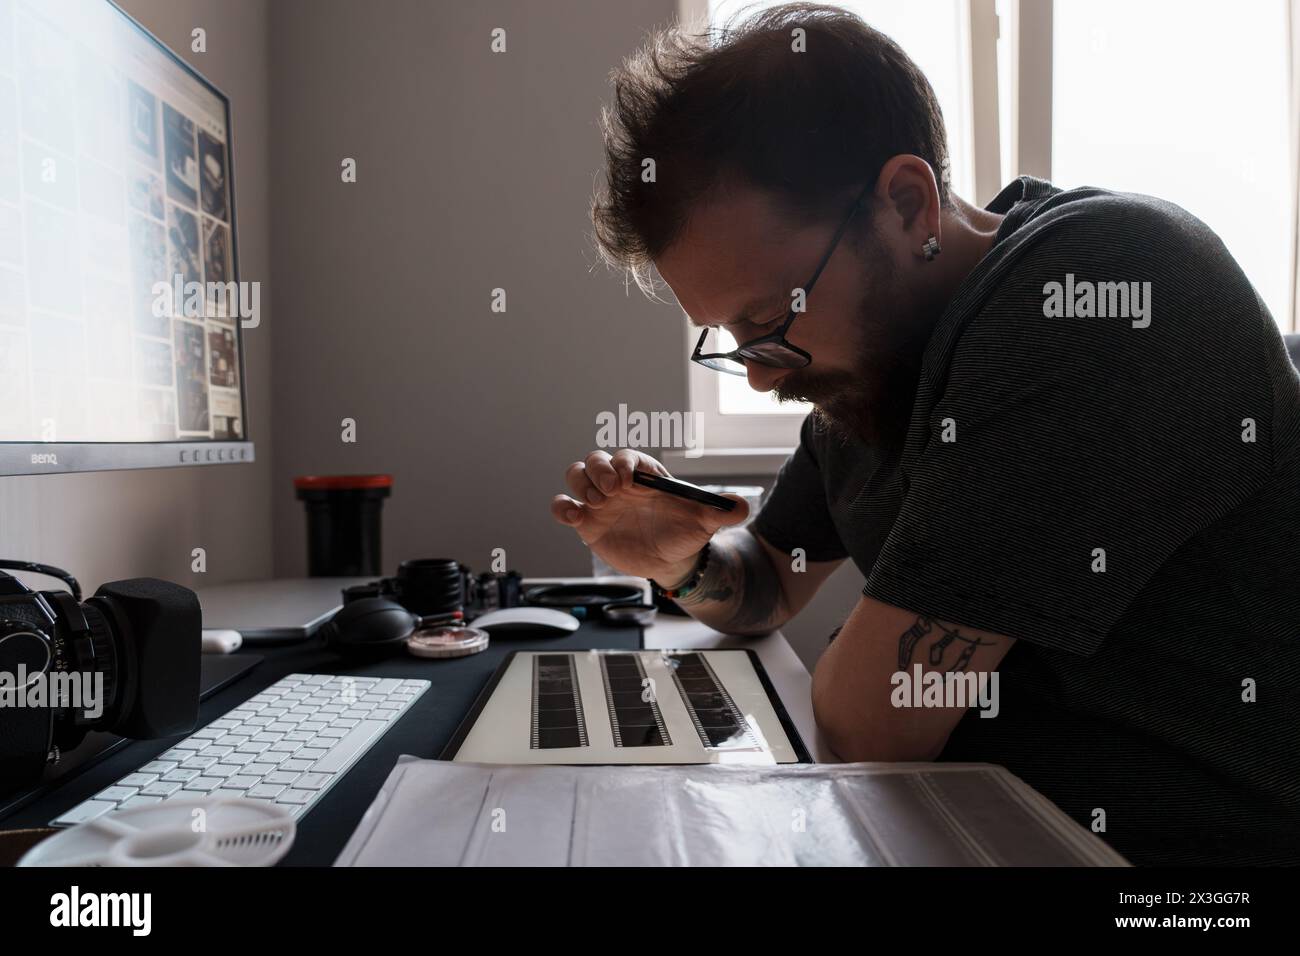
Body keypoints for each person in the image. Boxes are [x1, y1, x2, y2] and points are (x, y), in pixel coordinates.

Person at [551, 4, 1300, 865]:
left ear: (907, 202)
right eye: (734, 341)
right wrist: (681, 561)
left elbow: (876, 720)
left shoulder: (1101, 285)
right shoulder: (868, 371)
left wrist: (852, 674)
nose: (760, 373)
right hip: (992, 829)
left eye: (767, 322)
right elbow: (769, 583)